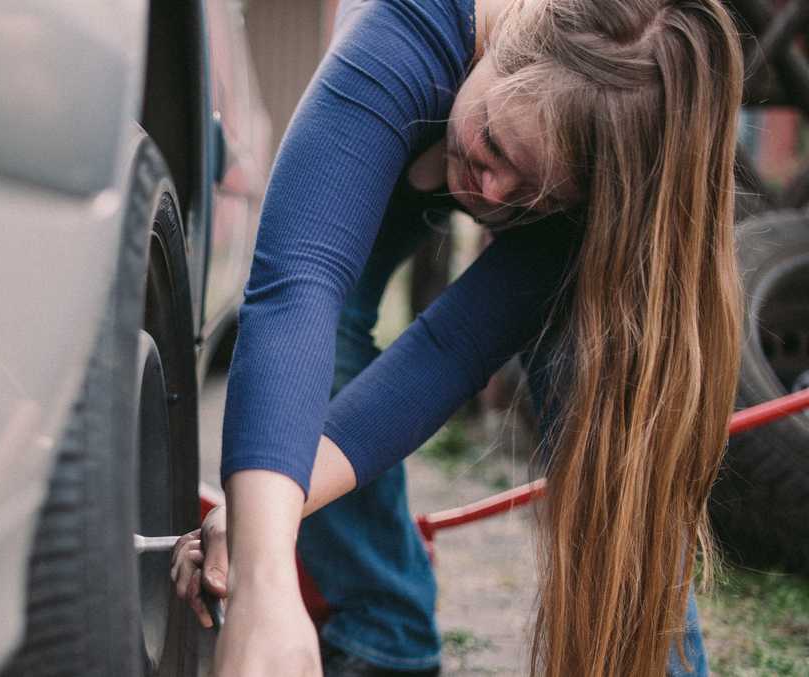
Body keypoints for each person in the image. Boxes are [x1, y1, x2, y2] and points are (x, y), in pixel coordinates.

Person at [172, 0, 743, 675]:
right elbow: (297, 287)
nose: (491, 194)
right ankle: (386, 630)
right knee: (322, 345)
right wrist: (264, 573)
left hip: (550, 167)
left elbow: (449, 351)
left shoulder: (596, 177)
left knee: (605, 389)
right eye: (495, 143)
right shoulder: (405, 34)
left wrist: (264, 514)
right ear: (503, 41)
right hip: (377, 148)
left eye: (532, 196)